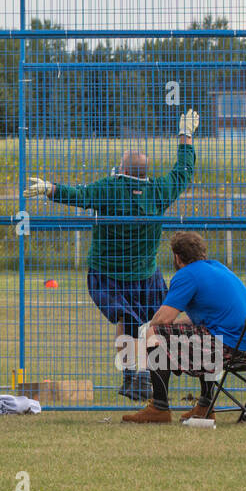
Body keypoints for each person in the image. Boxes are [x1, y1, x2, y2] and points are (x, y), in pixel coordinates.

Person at [26, 109, 198, 401]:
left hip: (108, 273)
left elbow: (78, 195)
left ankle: (132, 375)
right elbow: (183, 171)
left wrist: (50, 189)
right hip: (145, 274)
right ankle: (144, 377)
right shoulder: (159, 190)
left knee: (125, 321)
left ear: (122, 169)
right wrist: (186, 136)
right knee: (149, 325)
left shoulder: (110, 188)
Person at [121, 232, 246, 423]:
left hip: (227, 349)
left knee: (152, 333)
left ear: (177, 257)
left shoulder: (187, 275)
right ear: (202, 252)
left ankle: (158, 407)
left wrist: (147, 330)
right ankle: (205, 405)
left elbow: (163, 319)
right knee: (202, 334)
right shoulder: (219, 268)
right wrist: (174, 326)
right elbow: (207, 321)